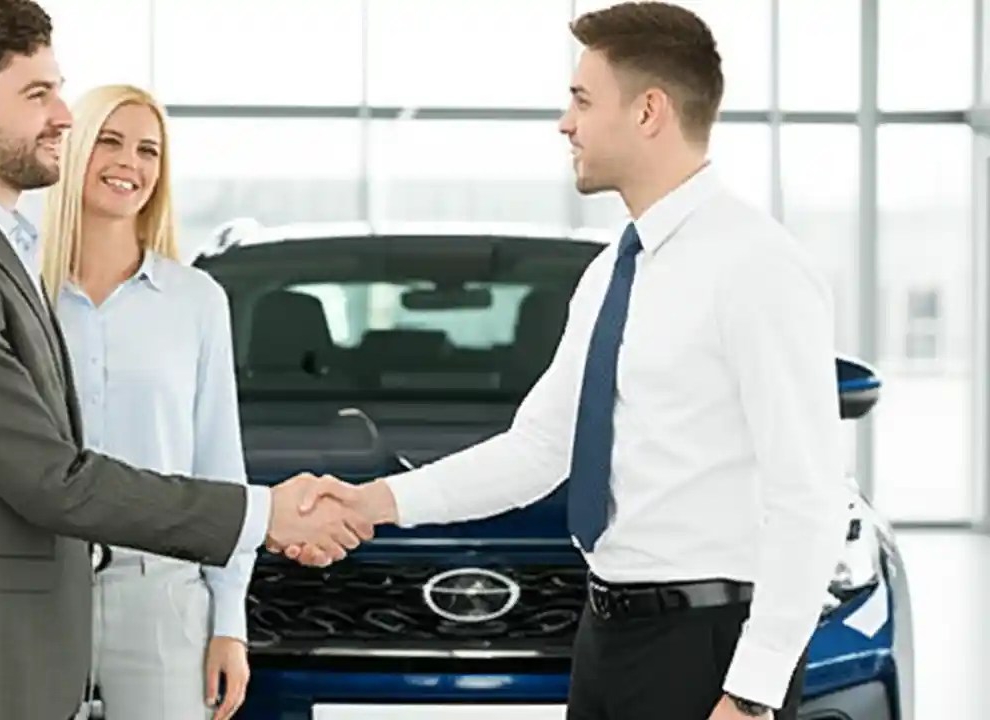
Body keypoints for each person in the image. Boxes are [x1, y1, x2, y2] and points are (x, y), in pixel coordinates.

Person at [289, 3, 845, 720]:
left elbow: (809, 496)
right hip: (609, 634)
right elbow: (540, 450)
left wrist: (752, 695)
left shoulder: (757, 265)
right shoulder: (616, 269)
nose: (565, 122)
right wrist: (371, 503)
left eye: (582, 99)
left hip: (709, 648)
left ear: (649, 112)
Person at [0, 3, 369, 720]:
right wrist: (266, 513)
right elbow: (50, 479)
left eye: (59, 91)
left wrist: (228, 612)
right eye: (38, 94)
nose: (63, 114)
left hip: (57, 629)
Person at [38, 84, 252, 720]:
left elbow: (221, 468)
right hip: (37, 590)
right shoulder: (22, 293)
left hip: (161, 594)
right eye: (109, 140)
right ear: (74, 150)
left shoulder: (197, 301)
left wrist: (229, 621)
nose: (128, 163)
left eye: (147, 150)